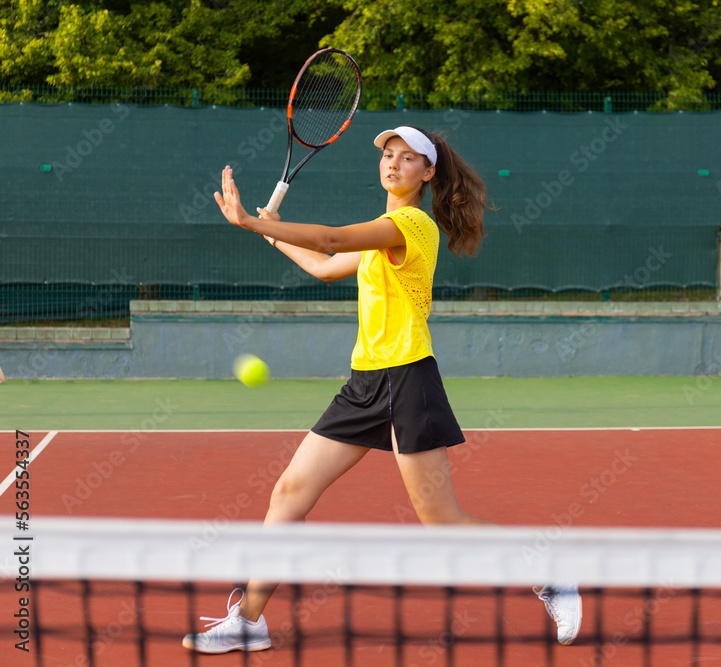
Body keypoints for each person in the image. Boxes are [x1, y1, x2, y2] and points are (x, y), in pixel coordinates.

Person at [182, 125, 582, 654]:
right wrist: (270, 232)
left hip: (408, 380)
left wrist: (253, 222)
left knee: (441, 520)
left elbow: (328, 239)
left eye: (407, 158)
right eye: (387, 155)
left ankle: (547, 569)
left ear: (428, 172)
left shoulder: (411, 225)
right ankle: (250, 621)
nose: (392, 164)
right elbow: (326, 266)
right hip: (364, 382)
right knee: (288, 494)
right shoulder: (382, 231)